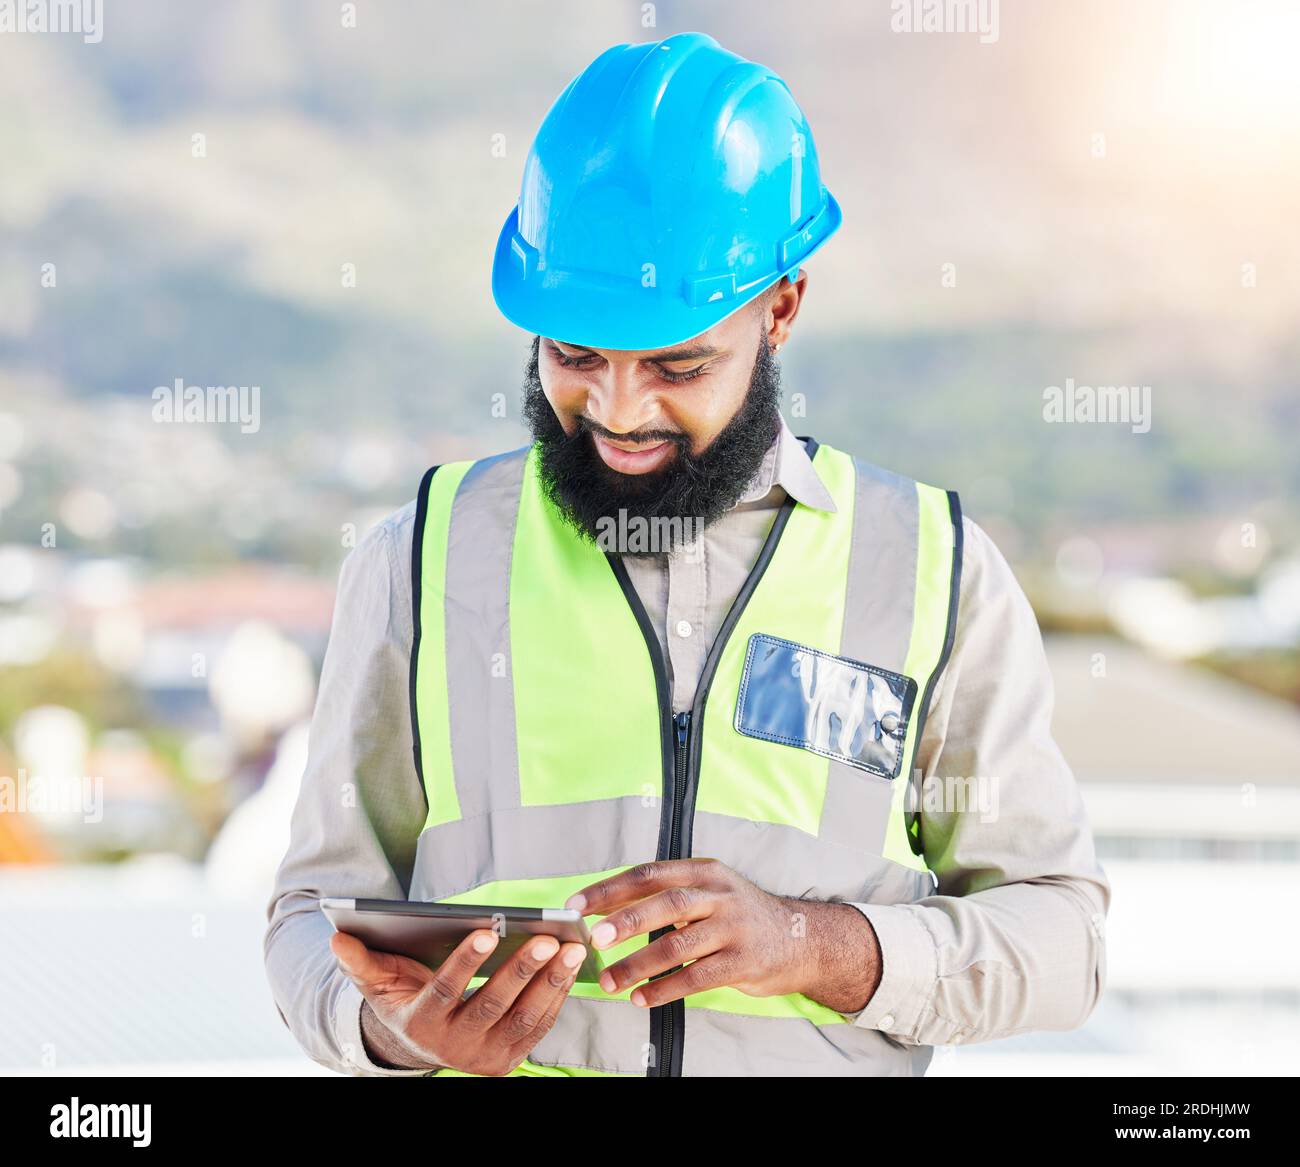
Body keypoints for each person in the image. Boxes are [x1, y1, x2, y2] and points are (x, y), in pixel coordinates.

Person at [264, 30, 1109, 1077]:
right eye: (575, 354)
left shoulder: (933, 571)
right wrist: (388, 1033)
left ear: (782, 308)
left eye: (677, 363)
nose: (618, 412)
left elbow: (1063, 942)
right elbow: (307, 914)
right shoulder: (417, 563)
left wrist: (814, 945)